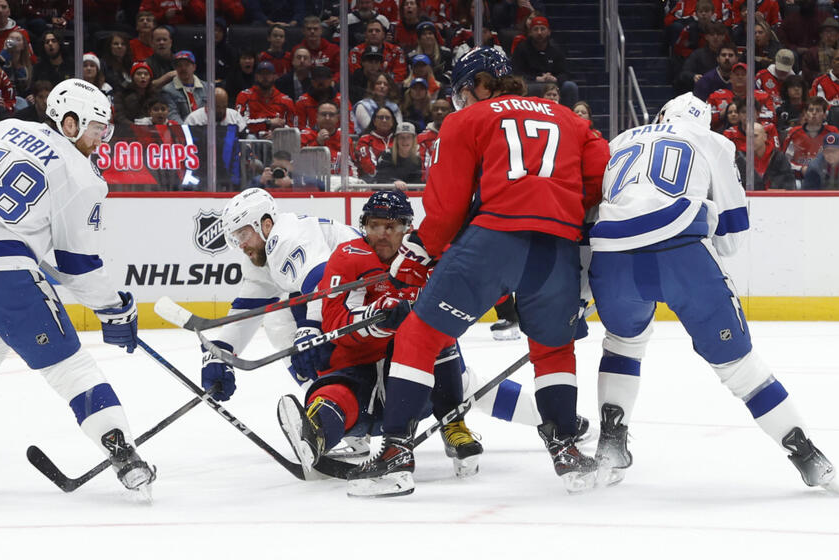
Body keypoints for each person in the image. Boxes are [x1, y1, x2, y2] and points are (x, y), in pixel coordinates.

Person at [346, 47, 609, 497]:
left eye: (464, 92)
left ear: (482, 84)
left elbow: (446, 208)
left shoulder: (466, 121)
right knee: (553, 350)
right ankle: (568, 451)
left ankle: (394, 457)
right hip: (556, 247)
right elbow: (600, 176)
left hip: (493, 242)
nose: (462, 101)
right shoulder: (570, 119)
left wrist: (418, 251)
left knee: (417, 336)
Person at [588, 93, 839, 495]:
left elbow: (597, 205)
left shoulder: (620, 140)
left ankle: (610, 446)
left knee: (622, 344)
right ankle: (808, 456)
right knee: (740, 368)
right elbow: (731, 237)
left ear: (660, 114)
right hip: (680, 254)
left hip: (611, 256)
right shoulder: (712, 142)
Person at [0, 78, 155, 494]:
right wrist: (115, 308)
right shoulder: (83, 176)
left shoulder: (6, 128)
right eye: (98, 127)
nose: (103, 138)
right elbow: (78, 267)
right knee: (71, 367)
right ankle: (124, 453)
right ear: (70, 122)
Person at [276, 190, 483, 479]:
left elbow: (461, 303)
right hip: (354, 367)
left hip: (408, 381)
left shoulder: (426, 260)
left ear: (407, 228)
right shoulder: (348, 256)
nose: (382, 234)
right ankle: (316, 434)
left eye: (391, 226)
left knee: (439, 328)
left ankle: (453, 424)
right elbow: (335, 321)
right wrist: (377, 316)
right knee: (334, 396)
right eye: (374, 226)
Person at [197, 188, 361, 446]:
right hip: (351, 294)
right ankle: (332, 413)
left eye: (243, 234)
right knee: (278, 317)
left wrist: (309, 329)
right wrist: (222, 352)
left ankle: (337, 415)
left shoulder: (284, 239)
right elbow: (252, 305)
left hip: (370, 292)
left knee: (289, 321)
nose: (240, 244)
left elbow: (323, 281)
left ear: (265, 223)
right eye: (235, 237)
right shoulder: (266, 251)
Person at [510, 14, 579, 109]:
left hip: (552, 84)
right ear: (530, 32)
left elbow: (565, 72)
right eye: (536, 29)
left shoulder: (556, 49)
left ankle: (570, 119)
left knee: (570, 86)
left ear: (549, 32)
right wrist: (536, 78)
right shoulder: (522, 48)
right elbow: (517, 72)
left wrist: (555, 79)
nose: (539, 33)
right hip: (531, 83)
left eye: (542, 29)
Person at [235, 61, 297, 138]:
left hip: (278, 142)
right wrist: (268, 123)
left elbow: (293, 129)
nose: (265, 77)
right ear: (256, 76)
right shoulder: (245, 96)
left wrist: (277, 134)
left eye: (268, 74)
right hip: (253, 141)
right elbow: (240, 124)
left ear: (275, 76)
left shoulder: (286, 101)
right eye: (261, 74)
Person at [782, 96, 839, 177]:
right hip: (797, 178)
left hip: (826, 179)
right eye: (811, 110)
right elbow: (785, 161)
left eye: (818, 110)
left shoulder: (832, 133)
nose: (814, 113)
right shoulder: (794, 133)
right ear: (805, 114)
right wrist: (801, 169)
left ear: (824, 115)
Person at [300, 101, 355, 175]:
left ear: (337, 118)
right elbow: (298, 164)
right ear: (317, 117)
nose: (327, 118)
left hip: (339, 181)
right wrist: (317, 143)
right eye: (323, 114)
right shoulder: (304, 136)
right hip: (311, 180)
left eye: (331, 115)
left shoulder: (344, 138)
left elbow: (351, 165)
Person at [736, 122, 796, 190]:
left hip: (775, 199)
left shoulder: (778, 158)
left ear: (765, 137)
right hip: (749, 199)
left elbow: (789, 184)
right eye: (748, 136)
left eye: (755, 136)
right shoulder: (741, 159)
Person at [349, 18, 407, 83]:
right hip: (363, 88)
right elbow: (356, 75)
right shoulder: (356, 52)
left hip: (389, 88)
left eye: (377, 31)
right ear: (365, 34)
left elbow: (399, 75)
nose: (374, 33)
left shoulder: (396, 51)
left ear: (383, 35)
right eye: (370, 31)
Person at [161, 51, 206, 123]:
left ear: (194, 67)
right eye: (179, 65)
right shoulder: (167, 90)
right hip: (182, 130)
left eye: (187, 65)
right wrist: (186, 130)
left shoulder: (206, 88)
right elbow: (172, 115)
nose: (183, 68)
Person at [375, 121, 422, 186]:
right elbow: (380, 178)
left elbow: (418, 181)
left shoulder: (418, 158)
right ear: (396, 140)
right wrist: (393, 182)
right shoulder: (386, 155)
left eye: (408, 137)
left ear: (413, 140)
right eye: (401, 137)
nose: (405, 140)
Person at [355, 106, 397, 179]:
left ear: (392, 121)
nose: (384, 120)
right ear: (374, 121)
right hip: (373, 181)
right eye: (381, 117)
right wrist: (385, 179)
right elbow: (366, 165)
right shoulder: (365, 140)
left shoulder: (399, 139)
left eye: (387, 118)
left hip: (398, 180)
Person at [0, 30, 34, 101]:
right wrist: (5, 50)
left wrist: (32, 96)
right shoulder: (0, 60)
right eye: (11, 39)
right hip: (3, 100)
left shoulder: (28, 68)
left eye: (18, 40)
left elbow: (29, 89)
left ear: (23, 45)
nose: (14, 42)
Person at [114, 62, 157, 126]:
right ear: (132, 77)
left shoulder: (155, 95)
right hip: (127, 131)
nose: (143, 76)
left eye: (146, 74)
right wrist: (136, 127)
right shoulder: (122, 94)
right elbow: (119, 117)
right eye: (139, 74)